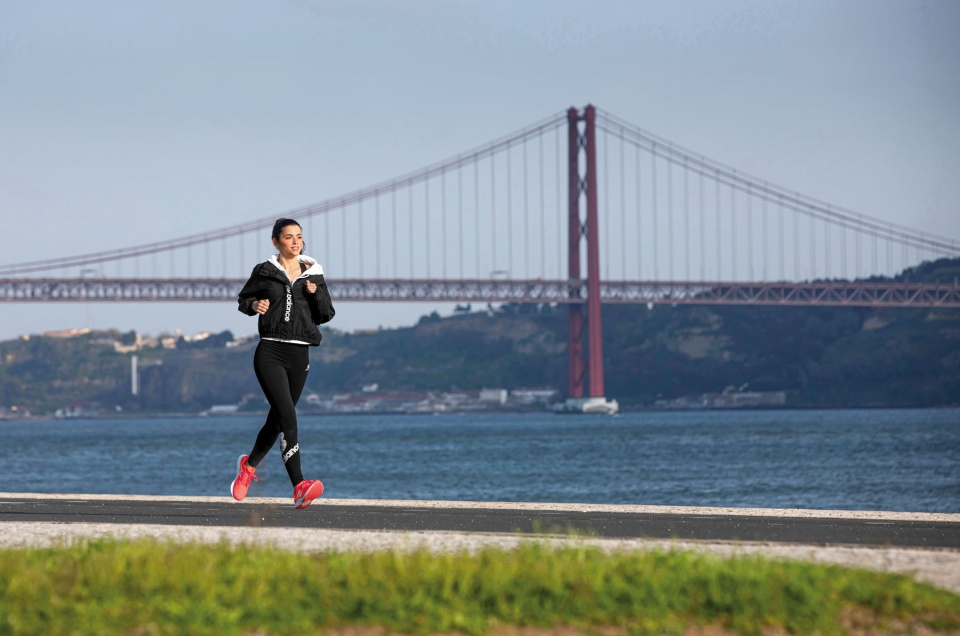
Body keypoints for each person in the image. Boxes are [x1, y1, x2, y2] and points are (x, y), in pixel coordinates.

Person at [230, 217, 336, 509]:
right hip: (270, 352)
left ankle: (248, 467)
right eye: (288, 237)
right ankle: (299, 485)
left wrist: (316, 295)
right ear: (276, 241)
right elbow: (244, 300)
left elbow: (326, 314)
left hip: (300, 353)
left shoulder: (314, 274)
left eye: (299, 236)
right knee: (289, 417)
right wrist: (254, 305)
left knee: (278, 420)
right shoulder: (264, 271)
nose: (295, 241)